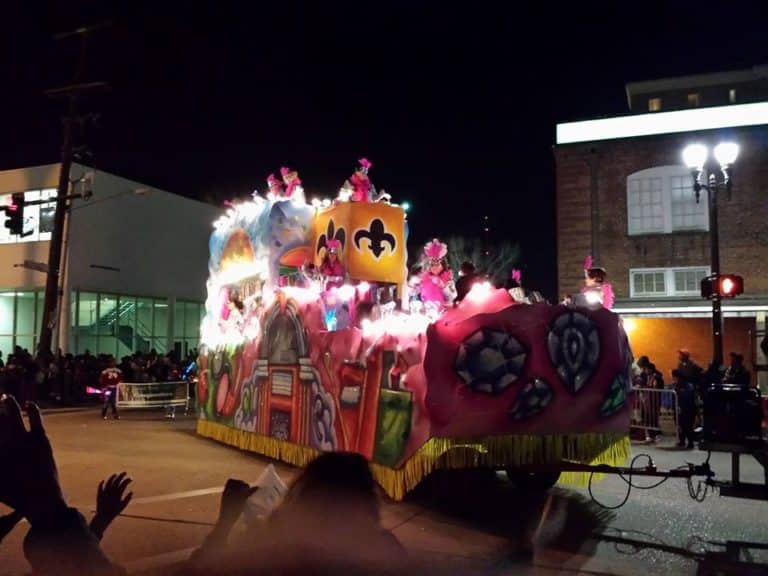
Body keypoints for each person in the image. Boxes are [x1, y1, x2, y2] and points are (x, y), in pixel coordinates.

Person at [418, 238, 455, 311]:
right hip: (427, 309)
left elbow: (452, 296)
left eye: (437, 264)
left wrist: (443, 285)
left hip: (442, 311)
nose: (435, 267)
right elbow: (420, 293)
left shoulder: (447, 277)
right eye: (432, 264)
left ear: (442, 264)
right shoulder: (426, 277)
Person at [672, 368, 697, 449]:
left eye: (675, 377)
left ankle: (690, 442)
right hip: (679, 408)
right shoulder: (677, 386)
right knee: (680, 425)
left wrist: (680, 392)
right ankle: (682, 440)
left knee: (688, 426)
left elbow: (688, 397)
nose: (674, 379)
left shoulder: (688, 386)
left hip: (688, 409)